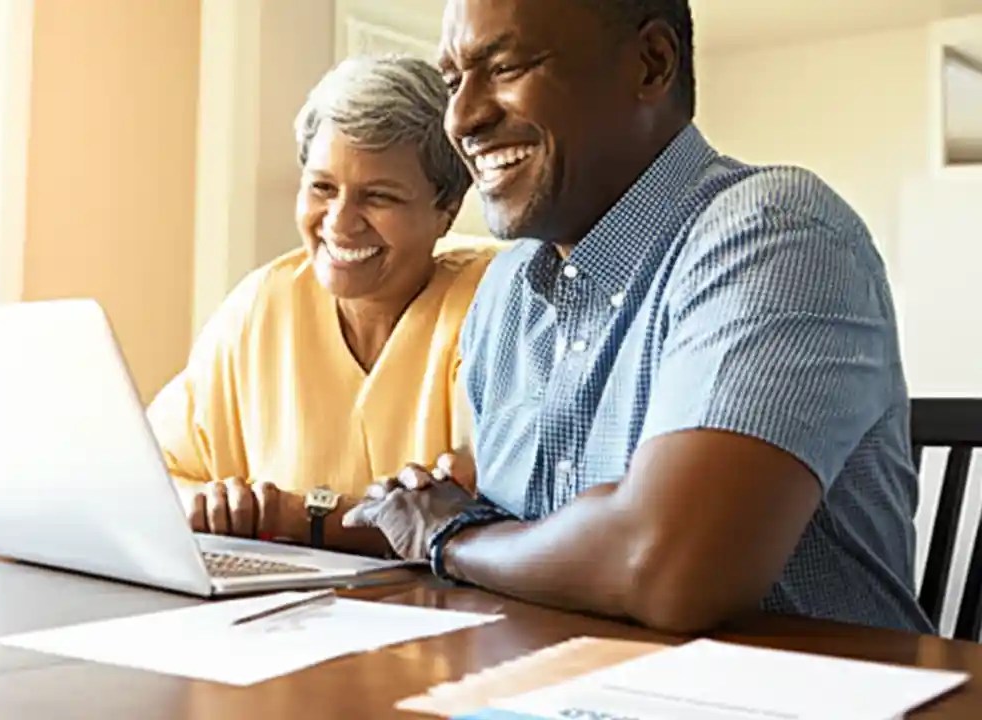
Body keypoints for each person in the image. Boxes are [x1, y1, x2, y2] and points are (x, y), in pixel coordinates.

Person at [343, 0, 934, 635]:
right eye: (453, 81)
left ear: (652, 64)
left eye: (507, 66)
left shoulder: (777, 234)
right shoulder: (506, 291)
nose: (461, 117)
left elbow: (667, 565)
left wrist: (450, 535)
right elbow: (526, 543)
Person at [147, 55, 495, 556]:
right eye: (322, 188)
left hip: (448, 619)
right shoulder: (263, 304)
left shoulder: (494, 301)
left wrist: (298, 515)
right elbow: (157, 475)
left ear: (446, 209)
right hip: (277, 617)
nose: (340, 222)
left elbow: (479, 519)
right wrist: (208, 505)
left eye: (379, 197)